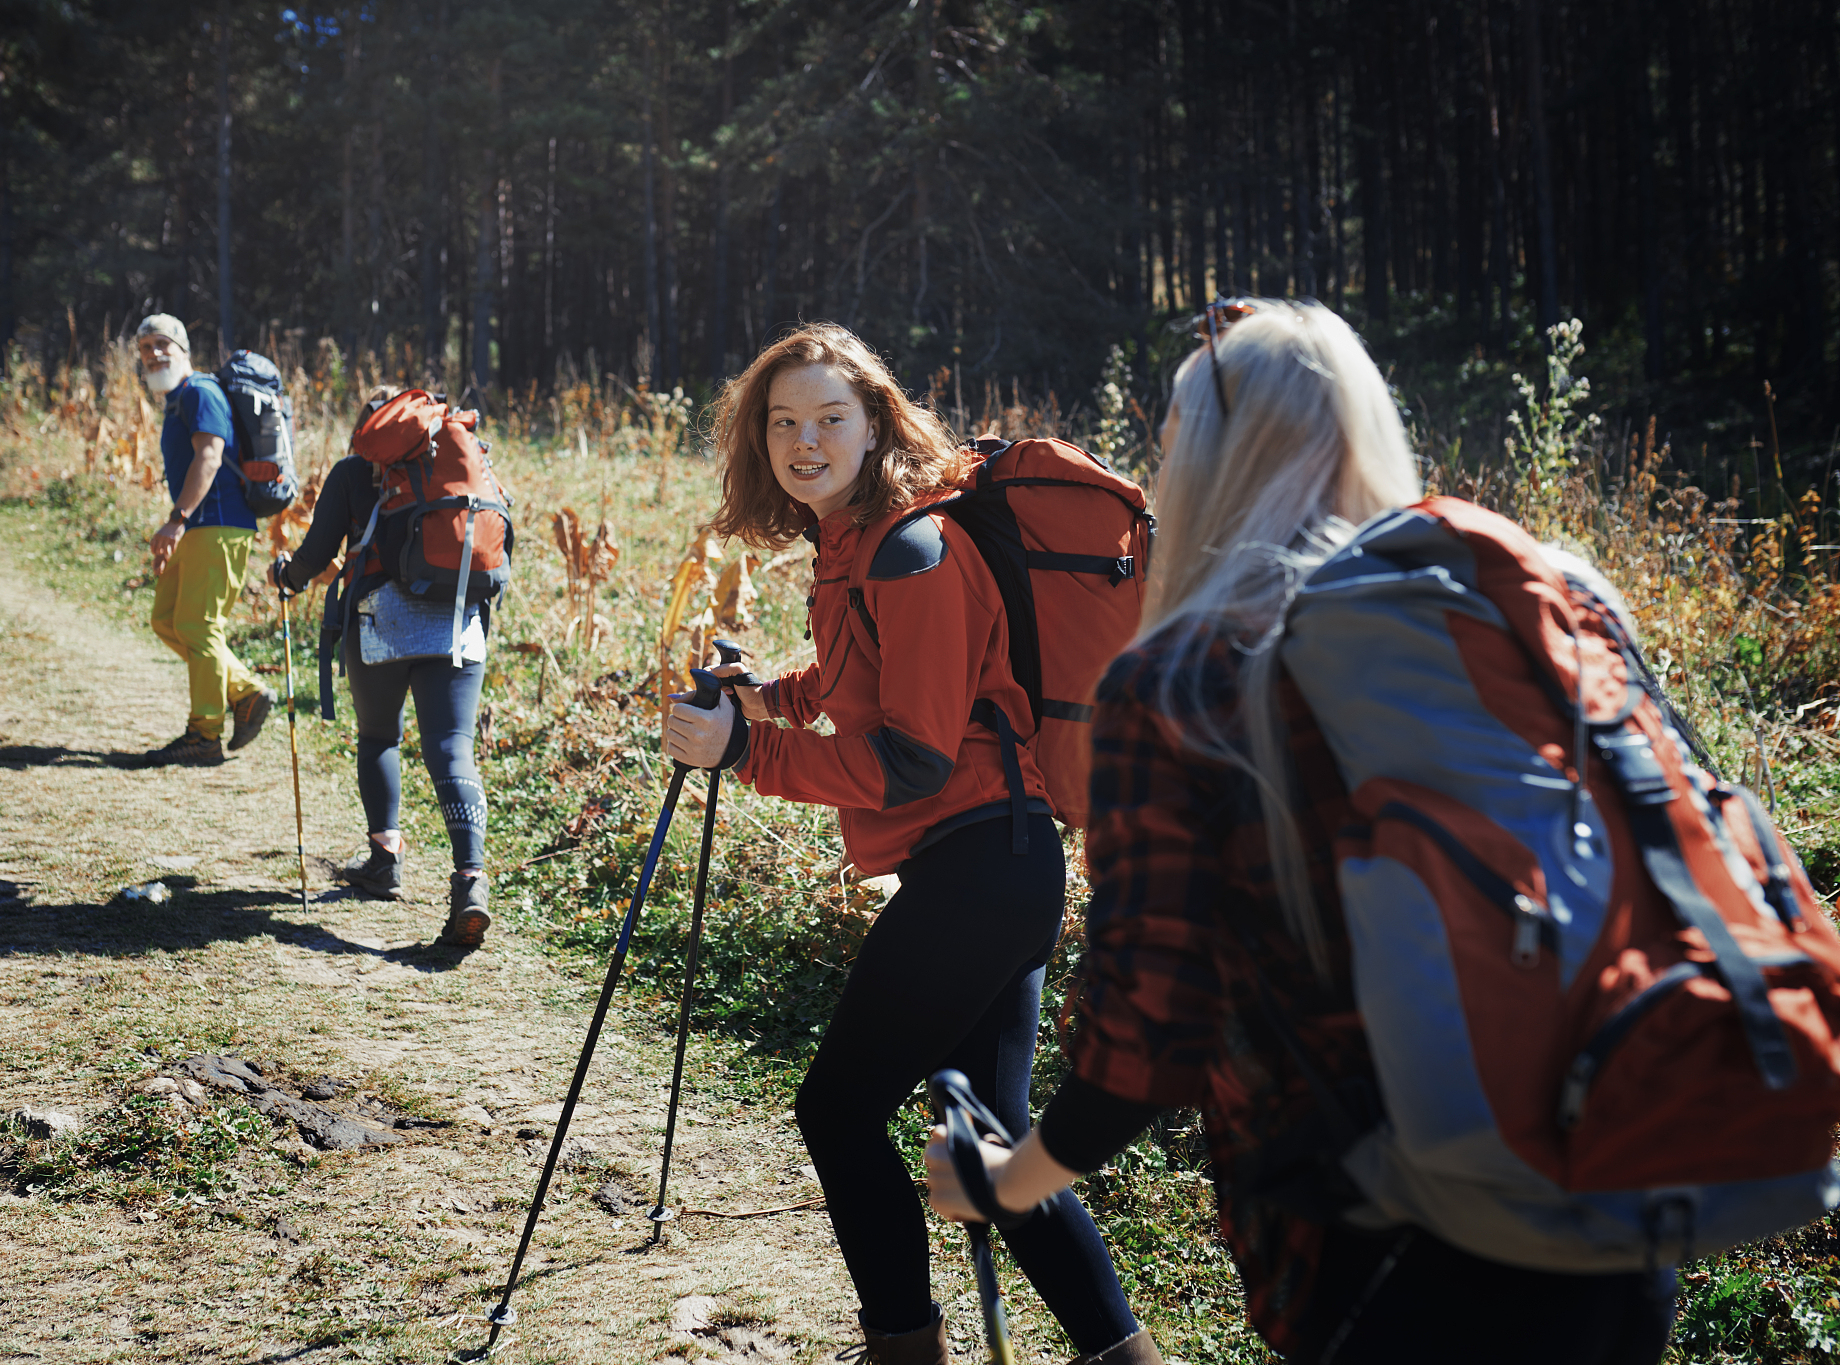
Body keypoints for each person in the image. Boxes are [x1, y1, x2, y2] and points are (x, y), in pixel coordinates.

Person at [921, 301, 1678, 1365]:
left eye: (1174, 435)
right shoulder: (1538, 603)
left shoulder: (1184, 681)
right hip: (1613, 1198)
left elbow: (1148, 1035)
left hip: (1387, 1254)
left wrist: (1010, 1180)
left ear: (1203, 459)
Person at [661, 323, 1154, 1365]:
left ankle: (900, 1347)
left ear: (875, 422)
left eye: (828, 418)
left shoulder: (912, 551)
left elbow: (916, 761)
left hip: (983, 867)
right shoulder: (855, 543)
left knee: (837, 1113)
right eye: (781, 421)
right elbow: (873, 688)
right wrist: (768, 695)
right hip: (988, 865)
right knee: (988, 1150)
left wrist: (745, 748)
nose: (803, 441)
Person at [269, 386, 492, 949]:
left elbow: (316, 556)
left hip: (379, 622)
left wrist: (286, 577)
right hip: (457, 619)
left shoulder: (354, 471)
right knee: (451, 747)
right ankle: (469, 882)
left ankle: (384, 859)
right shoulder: (462, 460)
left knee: (379, 739)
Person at [126, 313, 275, 767]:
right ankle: (244, 692)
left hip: (220, 523)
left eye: (161, 344)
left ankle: (204, 733)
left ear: (183, 348)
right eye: (145, 347)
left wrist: (177, 519)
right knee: (169, 620)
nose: (153, 353)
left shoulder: (201, 392)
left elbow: (209, 456)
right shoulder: (177, 400)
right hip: (197, 526)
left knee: (200, 625)